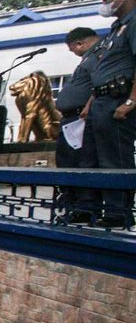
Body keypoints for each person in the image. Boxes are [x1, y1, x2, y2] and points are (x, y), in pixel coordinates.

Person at [89, 0, 136, 228]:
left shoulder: (135, 22)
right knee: (104, 160)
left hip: (119, 100)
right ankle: (111, 209)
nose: (104, 3)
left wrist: (131, 101)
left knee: (117, 159)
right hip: (104, 101)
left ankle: (120, 213)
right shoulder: (118, 27)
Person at [56, 27, 102, 222]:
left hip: (81, 118)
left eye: (72, 48)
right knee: (67, 162)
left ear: (80, 43)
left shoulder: (98, 57)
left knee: (83, 162)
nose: (72, 52)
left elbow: (99, 85)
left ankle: (86, 209)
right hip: (71, 120)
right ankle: (73, 205)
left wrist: (88, 106)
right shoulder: (87, 59)